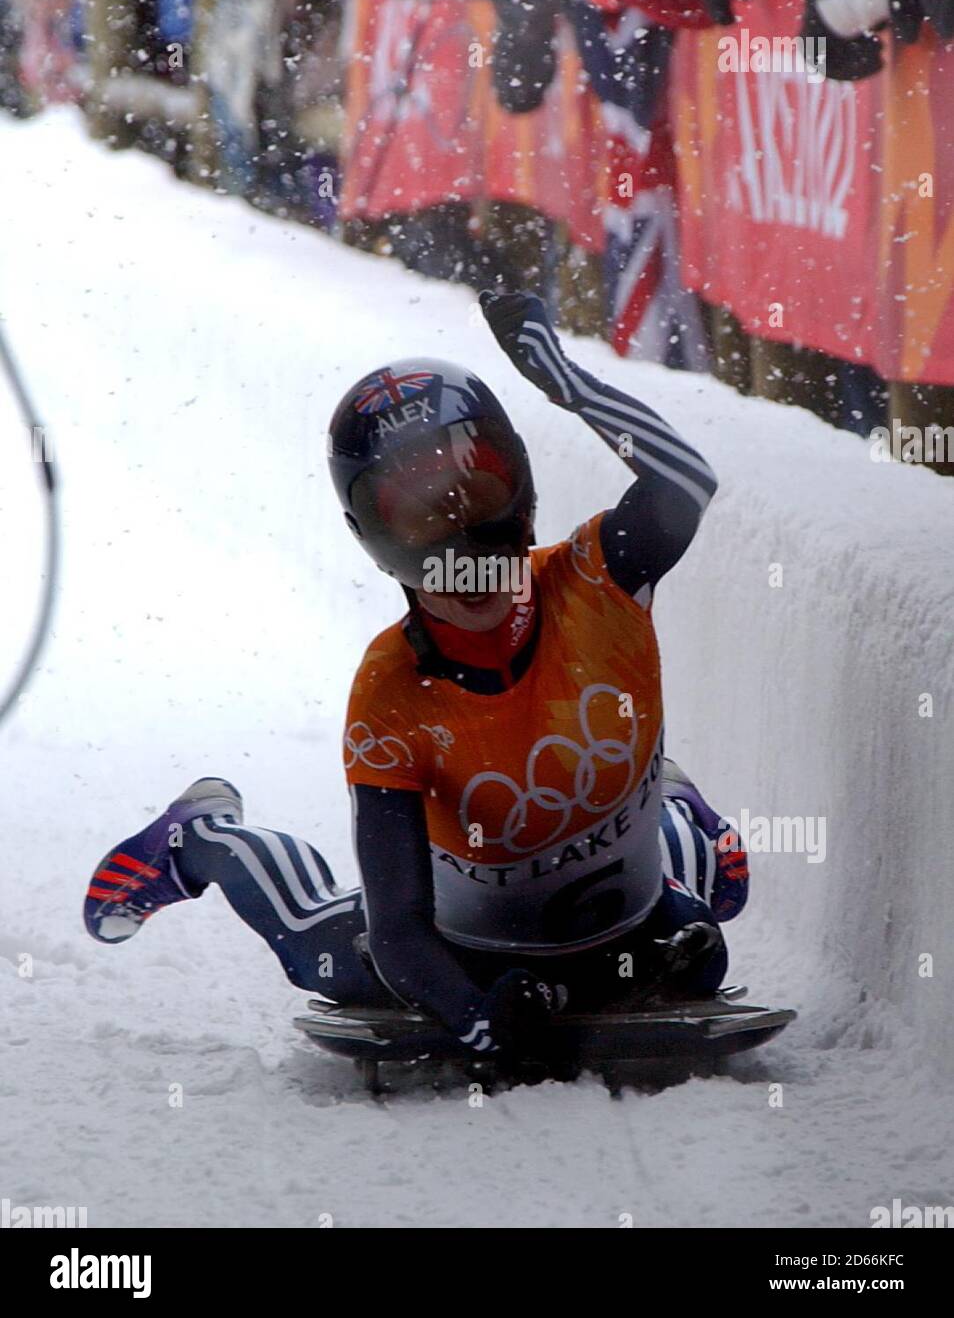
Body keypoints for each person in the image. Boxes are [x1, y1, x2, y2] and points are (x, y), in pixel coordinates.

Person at [83, 292, 748, 1059]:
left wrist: (564, 381)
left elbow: (687, 483)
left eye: (476, 492)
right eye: (424, 516)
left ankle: (676, 808)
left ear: (522, 493)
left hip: (626, 919)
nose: (460, 540)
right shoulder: (389, 692)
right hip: (467, 937)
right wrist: (473, 1018)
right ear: (379, 540)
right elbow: (398, 931)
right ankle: (199, 838)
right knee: (324, 952)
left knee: (701, 942)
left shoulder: (598, 580)